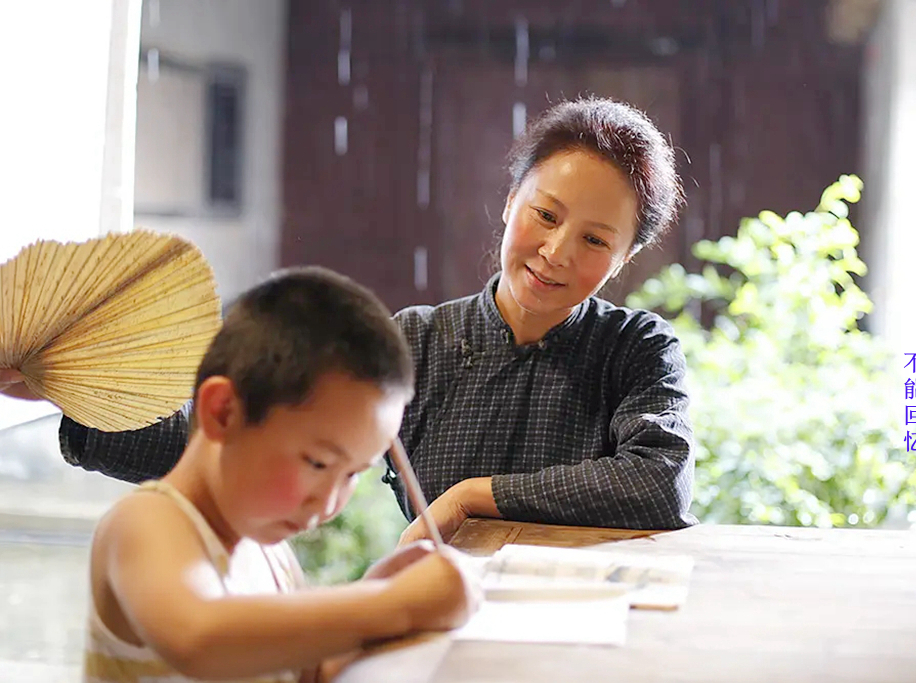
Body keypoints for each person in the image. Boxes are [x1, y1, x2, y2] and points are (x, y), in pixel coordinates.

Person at [1, 96, 696, 542]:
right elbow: (247, 439)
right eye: (546, 214)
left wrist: (469, 498)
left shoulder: (638, 349)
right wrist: (81, 396)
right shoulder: (419, 341)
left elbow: (659, 482)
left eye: (595, 240)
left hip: (597, 625)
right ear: (511, 200)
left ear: (624, 257)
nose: (556, 252)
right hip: (440, 620)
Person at [66, 267, 478, 682]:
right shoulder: (147, 522)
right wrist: (395, 602)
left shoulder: (268, 549)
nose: (329, 503)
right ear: (223, 412)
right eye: (318, 463)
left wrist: (379, 588)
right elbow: (199, 640)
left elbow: (307, 673)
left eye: (353, 474)